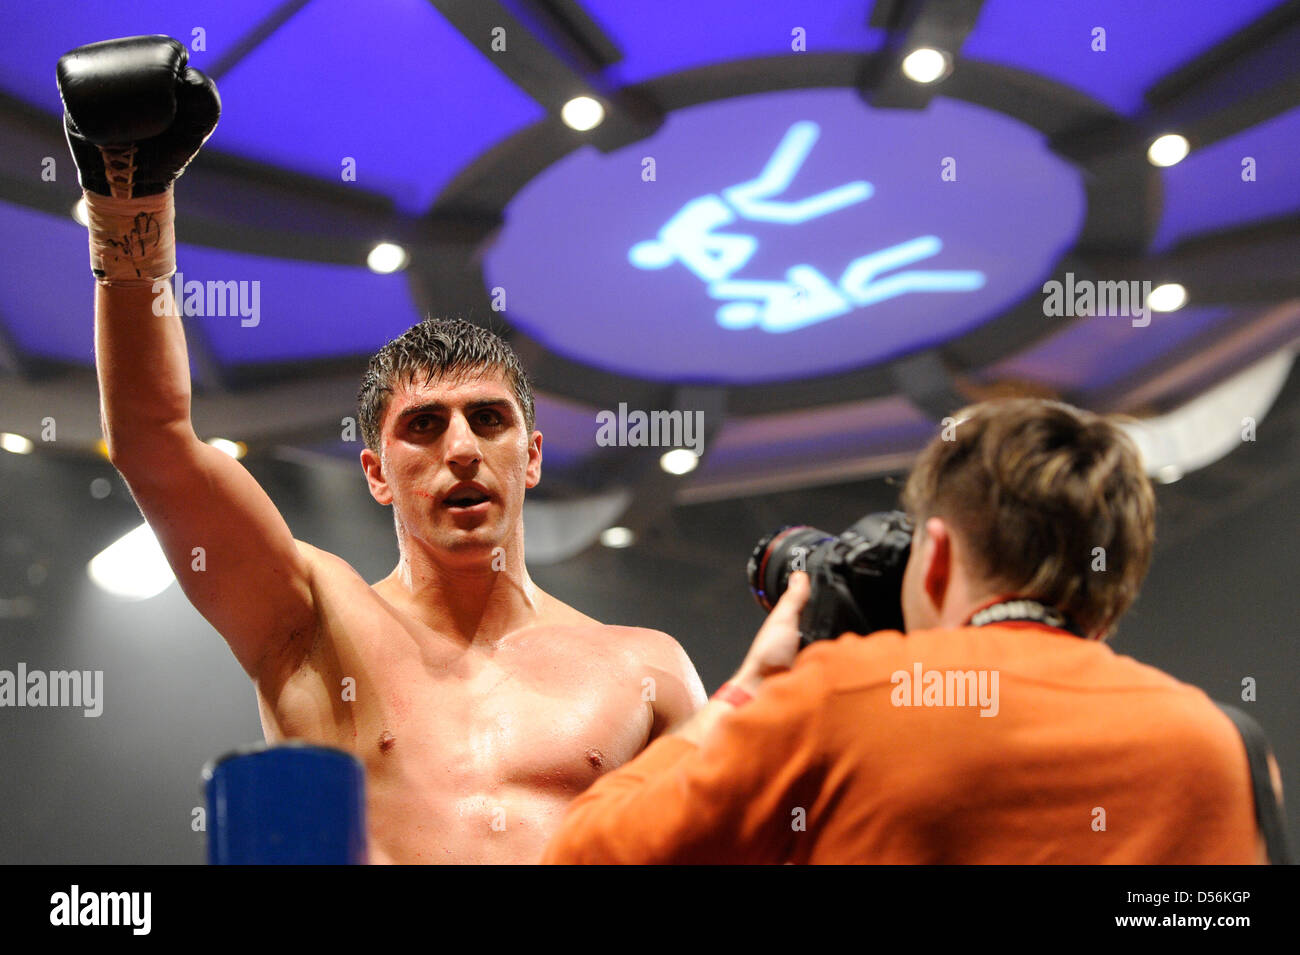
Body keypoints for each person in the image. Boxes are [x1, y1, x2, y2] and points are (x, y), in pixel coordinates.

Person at [59, 35, 705, 864]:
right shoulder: (311, 619)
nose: (463, 449)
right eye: (424, 425)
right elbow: (153, 441)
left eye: (490, 419)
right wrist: (130, 200)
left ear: (533, 454)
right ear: (376, 471)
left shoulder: (646, 667)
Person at [542, 398, 1271, 863]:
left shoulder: (843, 699)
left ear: (939, 555)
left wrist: (749, 688)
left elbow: (589, 853)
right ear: (1114, 595)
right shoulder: (1228, 749)